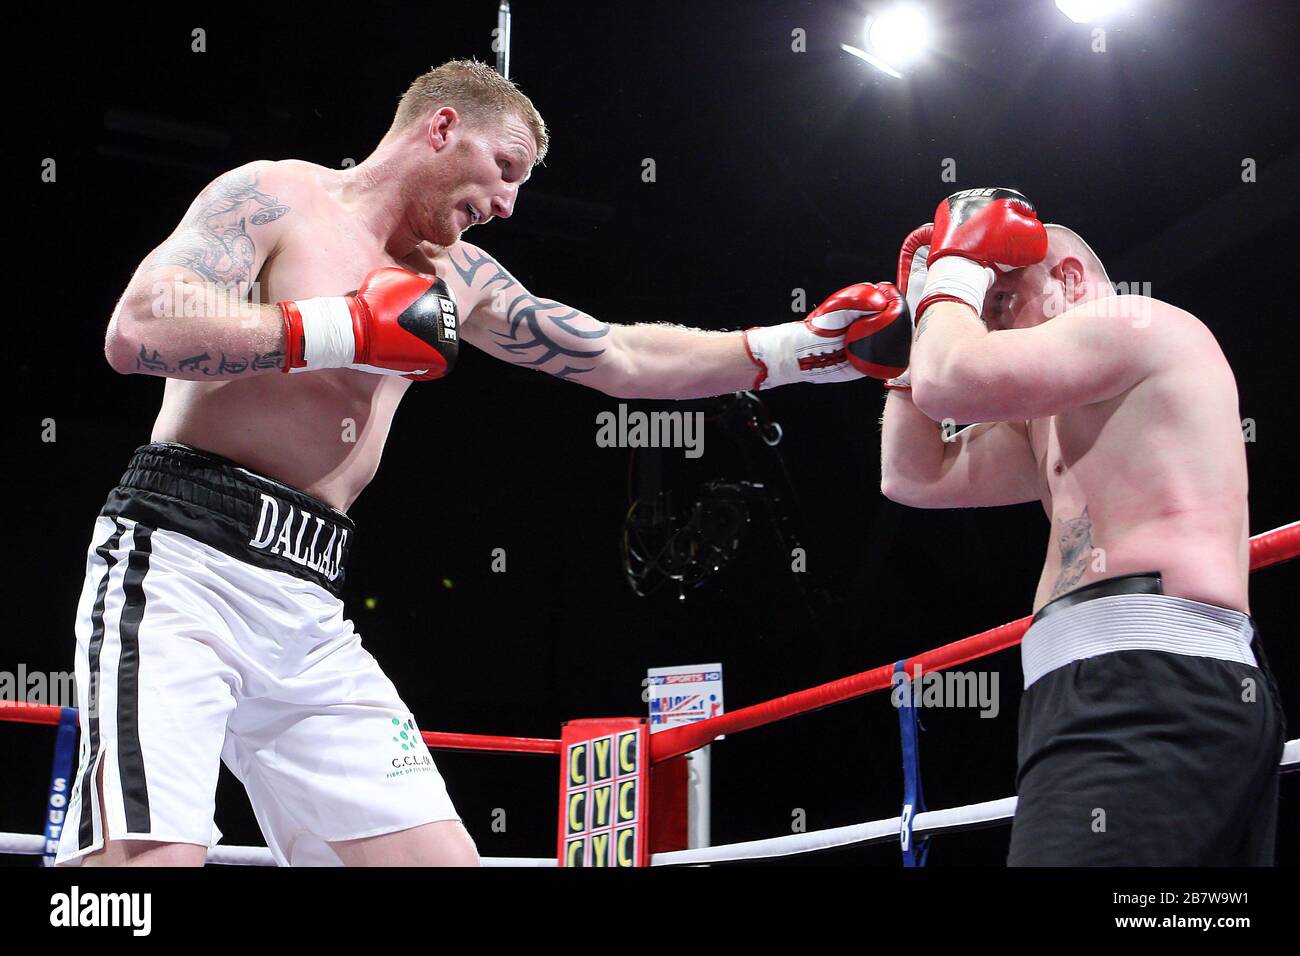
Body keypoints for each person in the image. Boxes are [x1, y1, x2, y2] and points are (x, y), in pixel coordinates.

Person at [60, 59, 906, 867]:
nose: (506, 203)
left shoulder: (457, 278)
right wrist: (343, 328)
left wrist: (794, 350)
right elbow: (138, 332)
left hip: (309, 598)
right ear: (441, 127)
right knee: (146, 860)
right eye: (504, 168)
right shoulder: (278, 194)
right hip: (177, 560)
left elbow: (618, 358)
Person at [872, 187, 1284, 864]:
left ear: (1067, 281)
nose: (987, 324)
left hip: (1147, 683)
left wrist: (948, 276)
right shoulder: (1048, 422)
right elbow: (913, 475)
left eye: (999, 299)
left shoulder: (1134, 324)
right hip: (1124, 690)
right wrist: (917, 321)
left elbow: (950, 380)